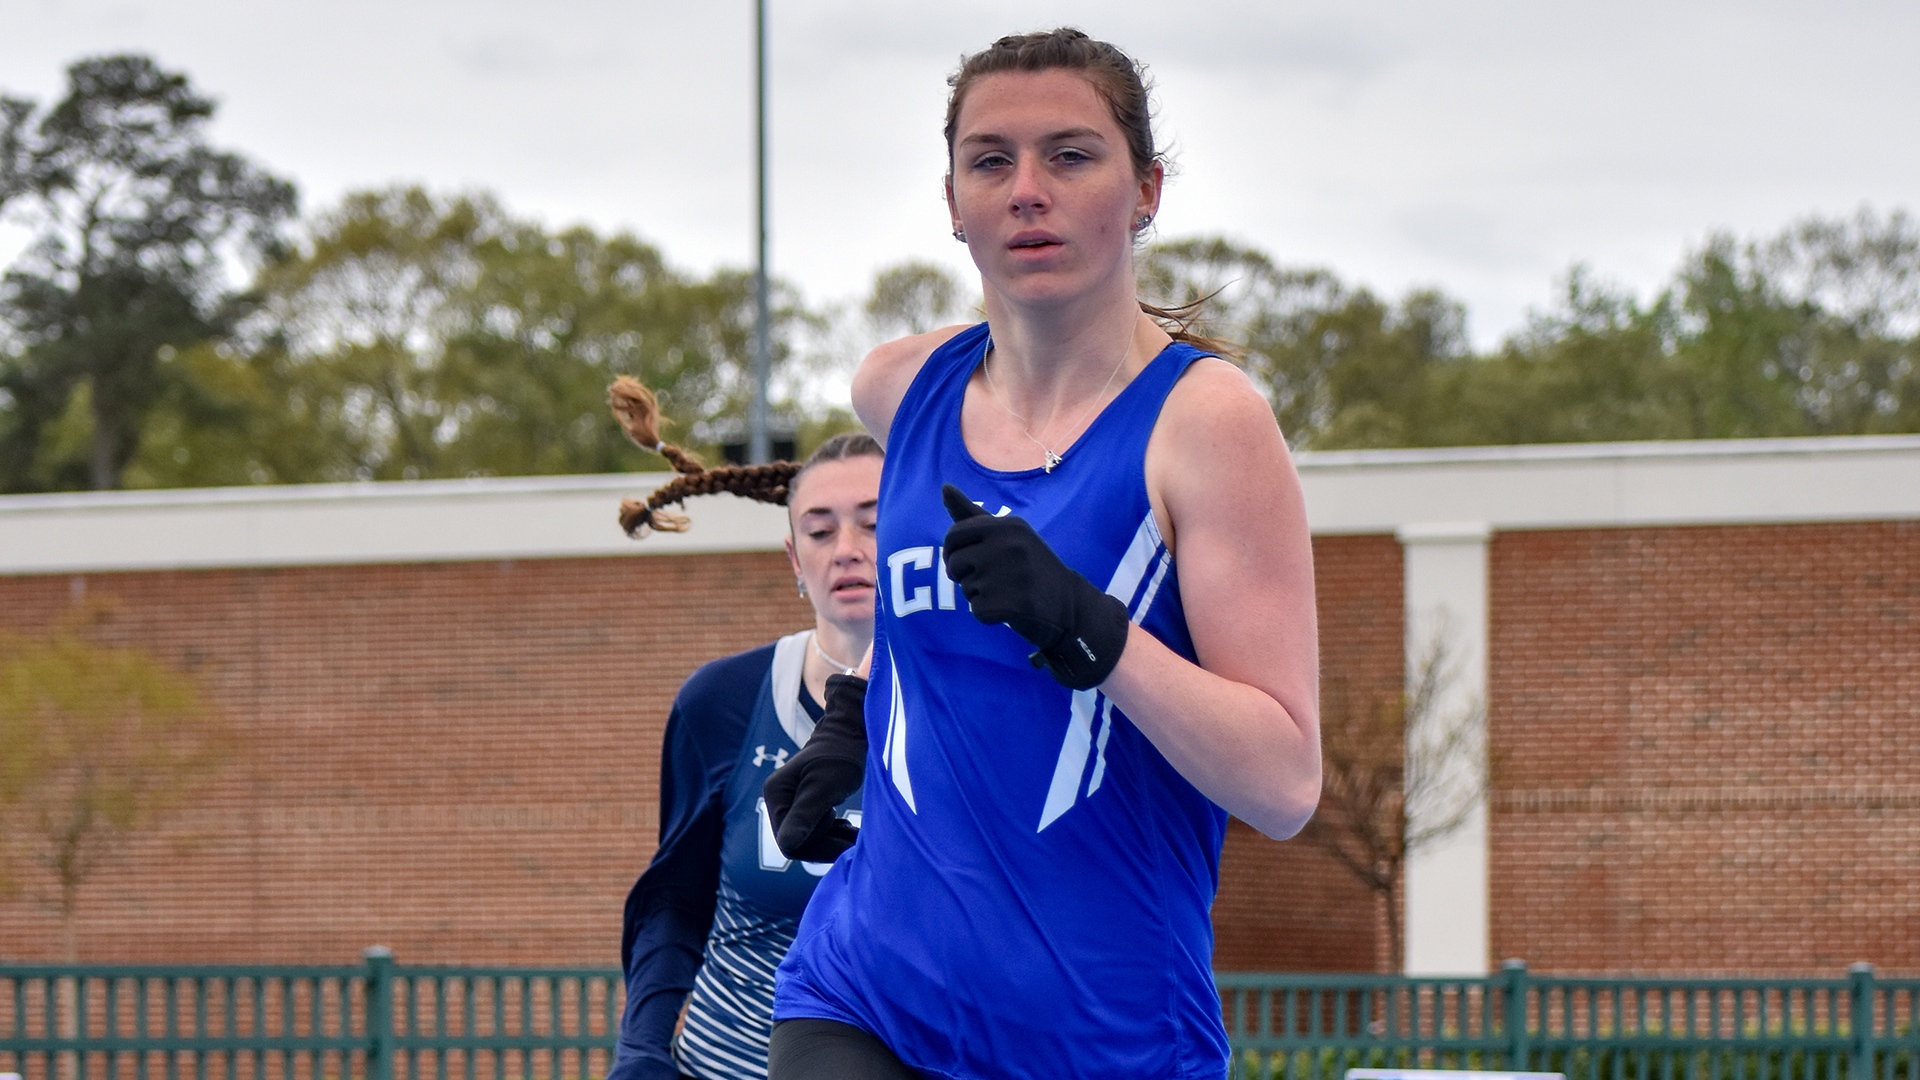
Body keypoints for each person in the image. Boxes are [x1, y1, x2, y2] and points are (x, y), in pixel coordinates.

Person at [760, 27, 1322, 1080]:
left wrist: (1088, 626)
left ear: (1145, 189)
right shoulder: (901, 388)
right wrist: (852, 715)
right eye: (991, 161)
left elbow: (1284, 780)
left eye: (1070, 155)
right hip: (864, 995)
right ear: (952, 202)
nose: (1027, 191)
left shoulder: (1205, 426)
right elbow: (937, 609)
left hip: (1103, 1035)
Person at [604, 375, 884, 1080]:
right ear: (795, 560)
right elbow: (675, 900)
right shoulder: (722, 700)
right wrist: (642, 1048)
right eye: (820, 530)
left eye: (875, 523)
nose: (847, 547)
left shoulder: (978, 708)